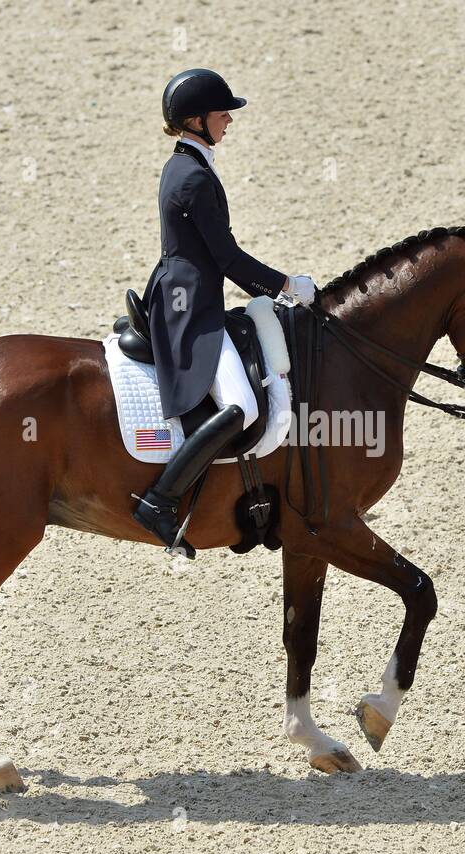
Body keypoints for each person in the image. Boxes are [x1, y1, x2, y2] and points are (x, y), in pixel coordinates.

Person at [133, 68, 316, 558]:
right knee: (242, 407)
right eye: (222, 114)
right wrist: (286, 286)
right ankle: (160, 501)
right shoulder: (191, 175)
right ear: (195, 120)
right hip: (188, 306)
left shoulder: (190, 164)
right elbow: (226, 257)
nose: (230, 120)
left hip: (192, 293)